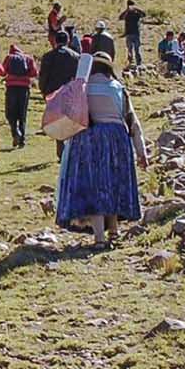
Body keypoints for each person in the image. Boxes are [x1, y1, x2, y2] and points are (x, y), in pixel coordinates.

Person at [54, 52, 147, 246]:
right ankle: (113, 231)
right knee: (113, 184)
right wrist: (141, 152)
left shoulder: (83, 89)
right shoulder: (118, 88)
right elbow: (133, 123)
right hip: (117, 139)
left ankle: (99, 238)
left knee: (93, 187)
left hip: (89, 139)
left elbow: (70, 117)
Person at [1, 43, 37, 149]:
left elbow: (3, 72)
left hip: (11, 87)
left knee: (9, 113)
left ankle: (15, 132)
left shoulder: (9, 58)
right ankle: (22, 141)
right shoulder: (28, 59)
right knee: (22, 115)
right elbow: (34, 73)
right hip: (24, 88)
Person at [118, 0, 147, 69]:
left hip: (136, 33)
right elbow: (120, 17)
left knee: (137, 49)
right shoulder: (126, 14)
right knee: (129, 49)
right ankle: (130, 62)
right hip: (129, 34)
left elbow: (144, 15)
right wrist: (126, 10)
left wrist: (136, 9)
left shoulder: (136, 13)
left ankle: (139, 62)